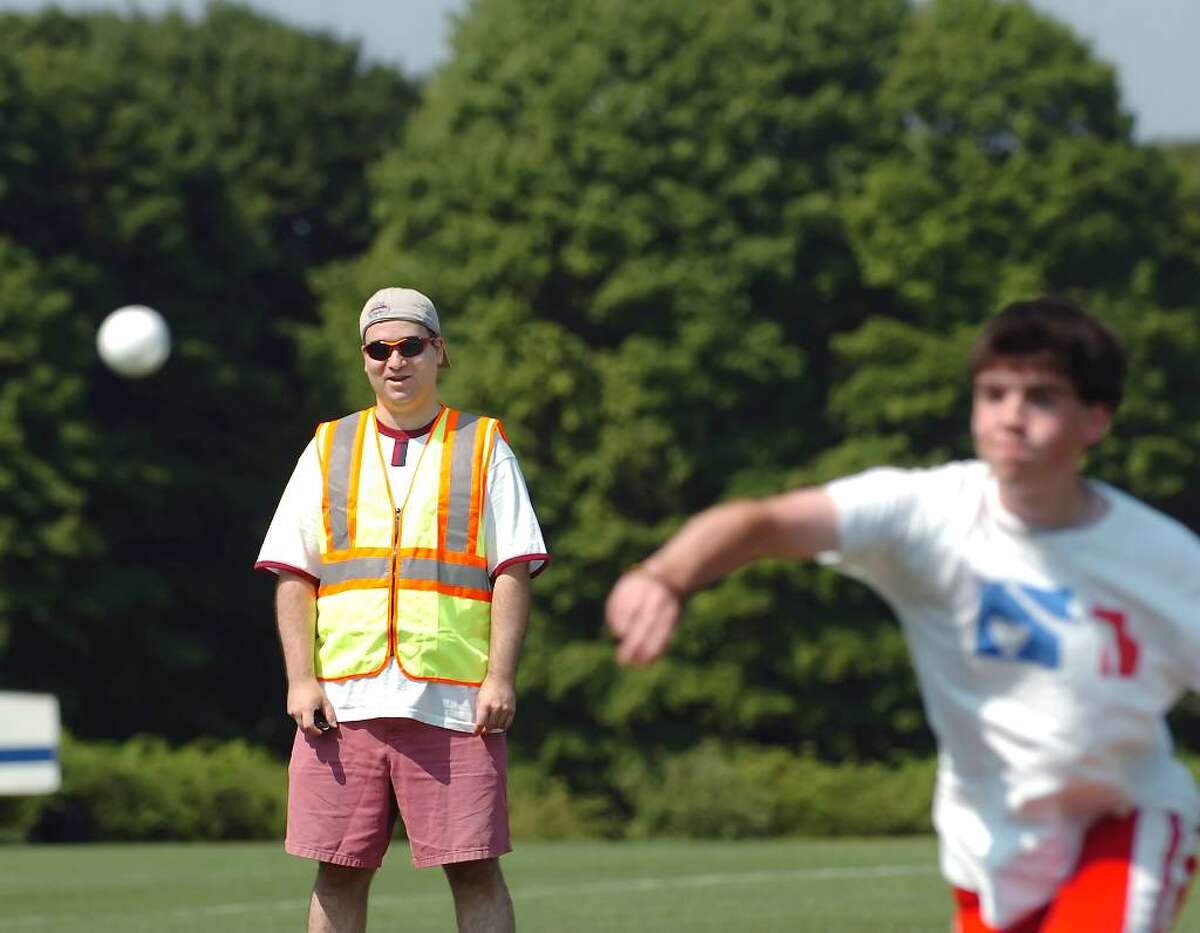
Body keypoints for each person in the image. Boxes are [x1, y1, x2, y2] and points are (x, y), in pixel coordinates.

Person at [606, 296, 1199, 932]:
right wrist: (666, 575)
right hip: (990, 844)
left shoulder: (1165, 559)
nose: (1012, 417)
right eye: (993, 394)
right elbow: (764, 522)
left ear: (1096, 421)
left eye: (1042, 398)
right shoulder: (928, 513)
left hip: (1124, 817)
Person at [256, 286, 548, 933]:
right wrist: (301, 679)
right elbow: (293, 574)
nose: (395, 360)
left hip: (452, 704)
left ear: (438, 352)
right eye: (379, 348)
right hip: (343, 705)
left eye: (410, 345)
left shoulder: (484, 444)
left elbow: (513, 569)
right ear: (363, 358)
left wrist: (500, 676)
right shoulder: (328, 447)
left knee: (475, 868)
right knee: (337, 870)